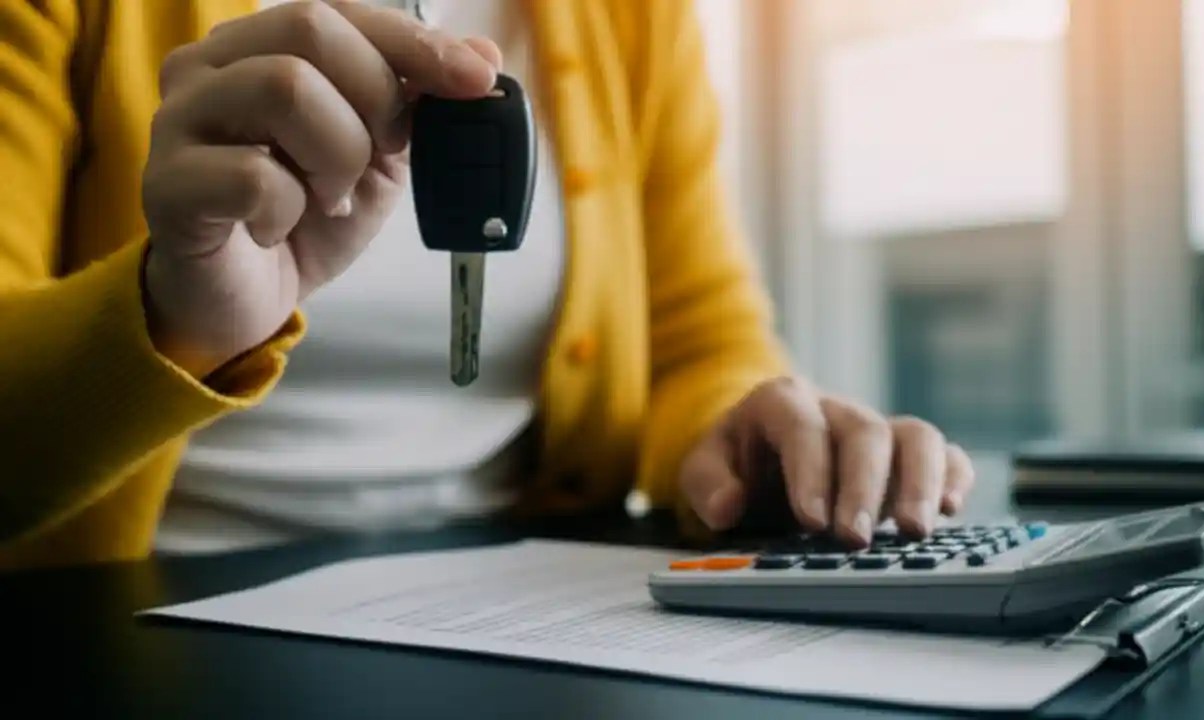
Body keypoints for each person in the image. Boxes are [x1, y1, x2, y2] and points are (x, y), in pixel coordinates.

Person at [0, 0, 975, 568]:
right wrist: (172, 314)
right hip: (131, 616)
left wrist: (746, 430)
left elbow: (697, 335)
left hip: (511, 602)